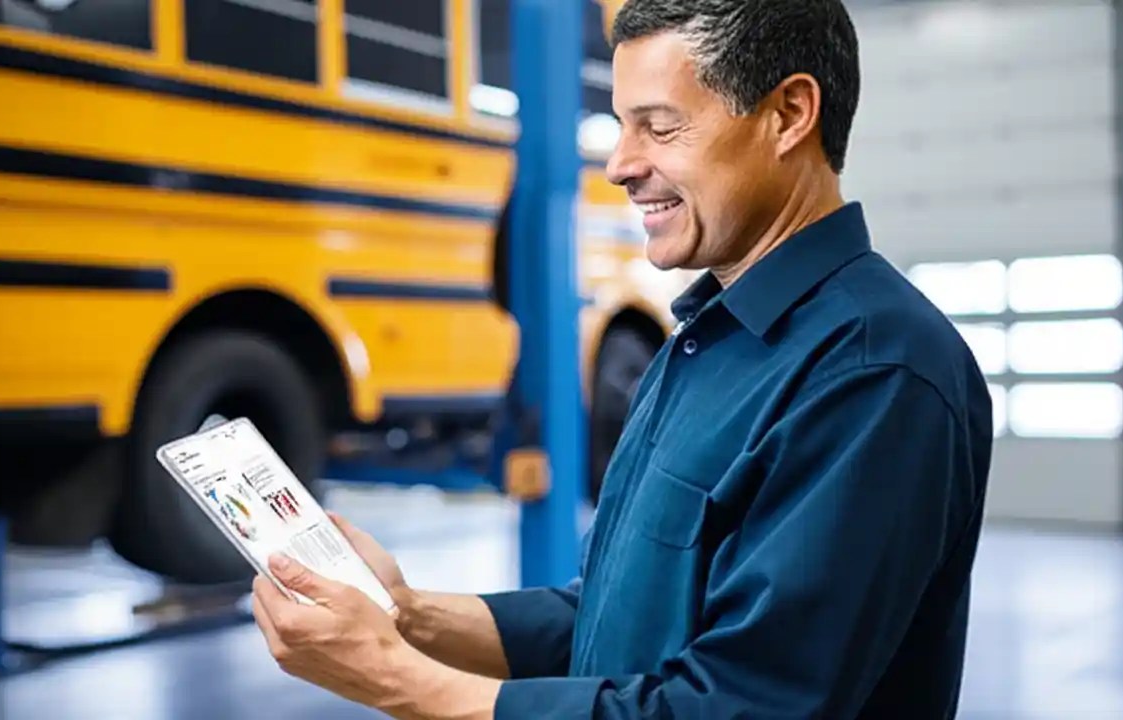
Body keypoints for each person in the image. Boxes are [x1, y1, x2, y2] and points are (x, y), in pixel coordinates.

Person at [250, 1, 994, 718]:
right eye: (620, 127)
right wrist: (403, 615)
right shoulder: (706, 344)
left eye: (660, 127)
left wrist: (394, 680)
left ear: (789, 115)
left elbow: (740, 706)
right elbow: (610, 616)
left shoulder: (872, 370)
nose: (618, 165)